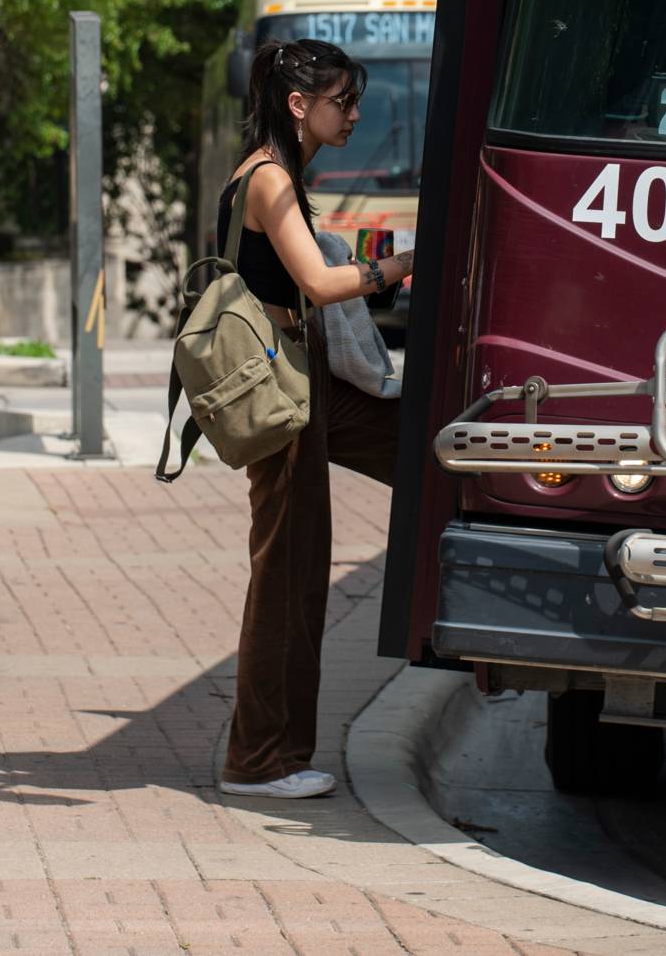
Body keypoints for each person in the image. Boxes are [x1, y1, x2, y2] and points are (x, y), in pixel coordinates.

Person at [217, 39, 412, 800]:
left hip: (306, 380)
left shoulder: (274, 171)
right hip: (284, 387)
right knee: (288, 575)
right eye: (343, 100)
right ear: (299, 104)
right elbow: (321, 281)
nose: (356, 114)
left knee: (425, 451)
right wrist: (397, 267)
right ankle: (258, 757)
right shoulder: (268, 177)